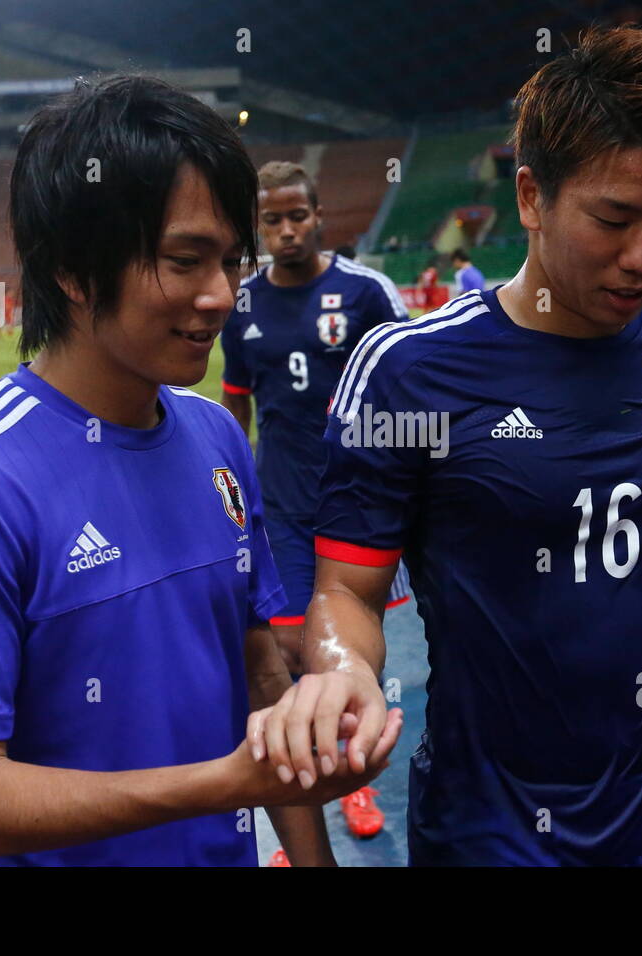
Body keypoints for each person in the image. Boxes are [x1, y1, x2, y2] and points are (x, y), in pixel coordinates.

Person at [250, 26, 642, 866]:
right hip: (489, 832)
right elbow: (347, 592)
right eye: (613, 219)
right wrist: (342, 673)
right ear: (530, 196)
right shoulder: (411, 371)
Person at [0, 75, 397, 867]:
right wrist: (223, 784)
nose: (223, 294)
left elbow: (259, 670)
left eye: (231, 260)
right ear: (72, 269)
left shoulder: (218, 436)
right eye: (185, 261)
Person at [220, 161, 410, 858]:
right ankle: (313, 799)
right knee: (292, 651)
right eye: (271, 220)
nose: (286, 229)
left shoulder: (365, 292)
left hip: (358, 500)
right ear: (258, 226)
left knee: (341, 648)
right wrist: (229, 494)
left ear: (319, 214)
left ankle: (352, 774)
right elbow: (234, 403)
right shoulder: (240, 305)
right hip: (282, 502)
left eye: (297, 215)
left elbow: (412, 385)